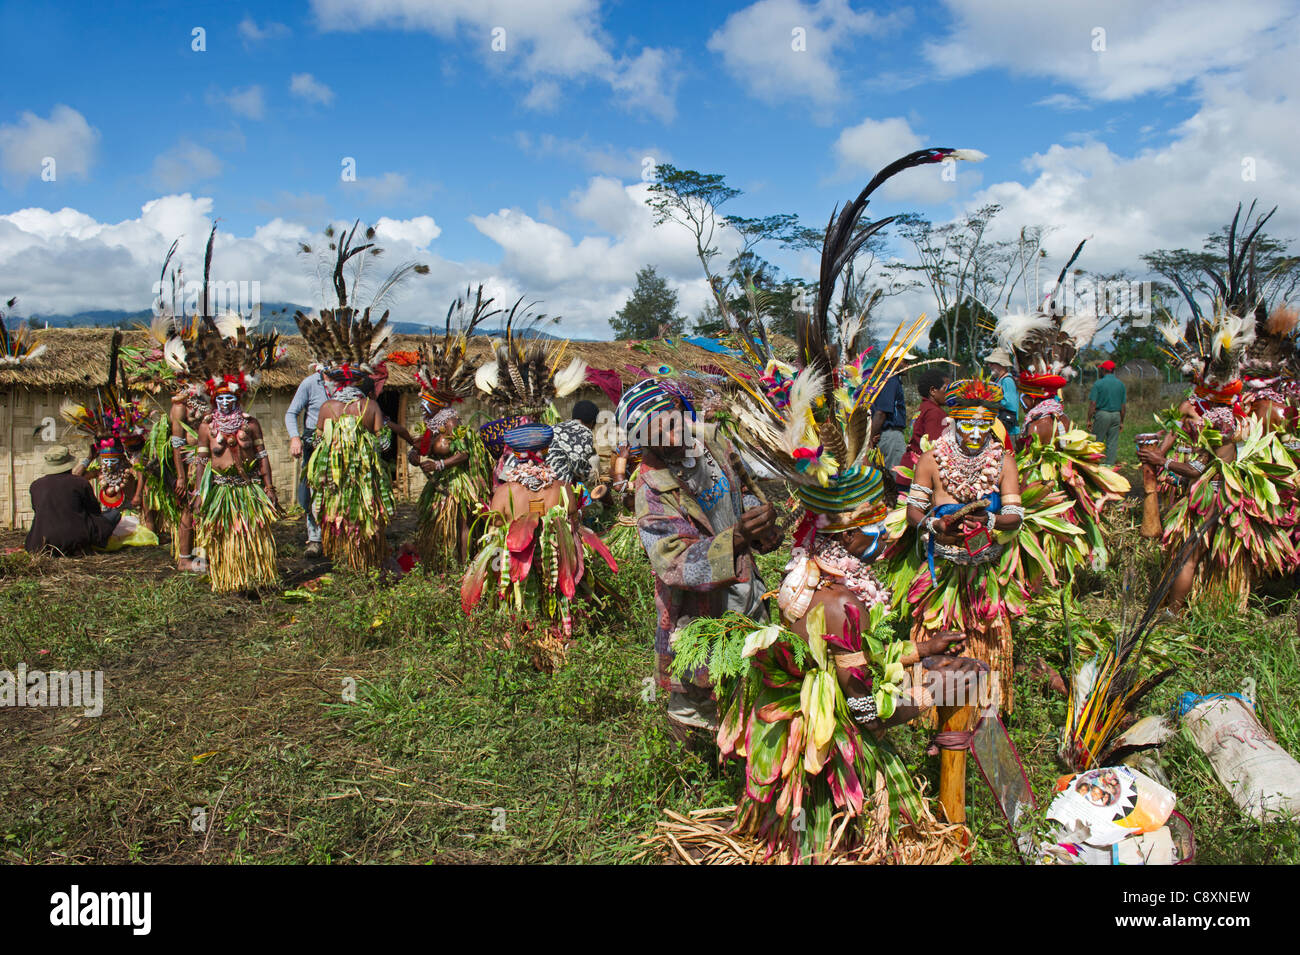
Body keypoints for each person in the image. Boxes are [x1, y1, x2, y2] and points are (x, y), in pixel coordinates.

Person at [620, 377, 777, 735]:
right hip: (697, 610)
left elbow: (745, 488)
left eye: (671, 420)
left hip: (746, 590)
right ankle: (686, 777)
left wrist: (762, 524)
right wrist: (737, 537)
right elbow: (674, 564)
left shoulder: (713, 439)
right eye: (656, 431)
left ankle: (739, 760)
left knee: (753, 681)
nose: (671, 435)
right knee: (695, 698)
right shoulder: (651, 486)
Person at [894, 378, 1025, 712]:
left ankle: (983, 712)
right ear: (952, 421)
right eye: (969, 423)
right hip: (942, 572)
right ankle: (929, 710)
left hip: (983, 571)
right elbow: (913, 511)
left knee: (984, 636)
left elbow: (1014, 515)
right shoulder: (931, 460)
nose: (977, 432)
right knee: (938, 635)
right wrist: (933, 523)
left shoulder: (1003, 462)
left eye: (985, 425)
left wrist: (989, 522)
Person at [189, 315, 281, 593]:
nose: (226, 402)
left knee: (252, 533)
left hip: (247, 489)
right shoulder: (207, 427)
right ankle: (228, 580)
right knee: (224, 535)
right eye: (221, 399)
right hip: (220, 491)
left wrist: (268, 486)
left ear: (238, 398)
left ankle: (253, 579)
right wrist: (199, 492)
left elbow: (262, 457)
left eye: (231, 398)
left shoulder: (250, 423)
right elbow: (203, 461)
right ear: (214, 400)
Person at [25, 445, 122, 555]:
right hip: (76, 540)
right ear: (69, 465)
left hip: (41, 543)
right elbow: (94, 511)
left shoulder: (36, 485)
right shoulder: (80, 483)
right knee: (114, 514)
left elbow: (37, 511)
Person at [285, 369, 330, 557]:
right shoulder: (310, 383)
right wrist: (295, 438)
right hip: (314, 443)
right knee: (312, 491)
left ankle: (338, 538)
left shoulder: (349, 383)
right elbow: (291, 413)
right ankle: (315, 539)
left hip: (342, 443)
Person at [897, 368, 950, 486]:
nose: (949, 393)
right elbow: (932, 447)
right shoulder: (935, 413)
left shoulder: (923, 408)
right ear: (933, 390)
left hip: (909, 467)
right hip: (918, 474)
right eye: (946, 388)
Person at [1088, 360, 1127, 466]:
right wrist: (1122, 421)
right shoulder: (1120, 384)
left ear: (1104, 370)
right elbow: (1123, 406)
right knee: (1112, 442)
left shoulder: (1098, 383)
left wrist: (1089, 419)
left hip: (1102, 415)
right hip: (1116, 415)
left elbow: (1093, 403)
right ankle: (1109, 465)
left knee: (1097, 441)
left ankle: (1094, 464)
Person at [870, 363, 908, 472]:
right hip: (891, 435)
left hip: (886, 434)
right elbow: (881, 412)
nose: (908, 365)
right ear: (893, 361)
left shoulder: (890, 379)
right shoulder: (890, 380)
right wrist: (871, 439)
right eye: (905, 361)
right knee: (895, 476)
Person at [985, 347, 1021, 442]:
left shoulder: (1007, 380)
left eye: (992, 363)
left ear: (1001, 364)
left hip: (1009, 430)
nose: (989, 365)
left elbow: (1010, 403)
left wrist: (990, 402)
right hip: (1000, 428)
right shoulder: (998, 380)